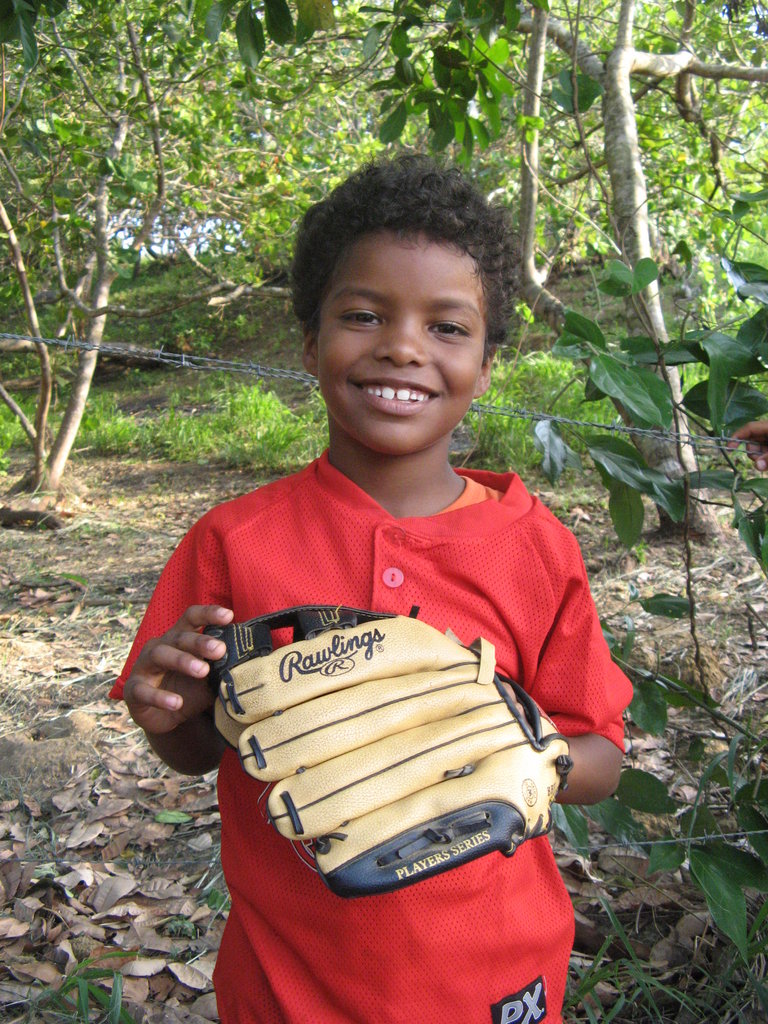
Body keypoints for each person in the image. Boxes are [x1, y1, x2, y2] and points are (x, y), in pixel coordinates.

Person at [112, 155, 633, 1024]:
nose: (403, 347)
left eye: (448, 327)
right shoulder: (234, 543)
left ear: (488, 363)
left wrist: (519, 761)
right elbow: (200, 749)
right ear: (312, 343)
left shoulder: (534, 550)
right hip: (291, 986)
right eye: (364, 315)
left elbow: (603, 758)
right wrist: (170, 715)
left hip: (494, 977)